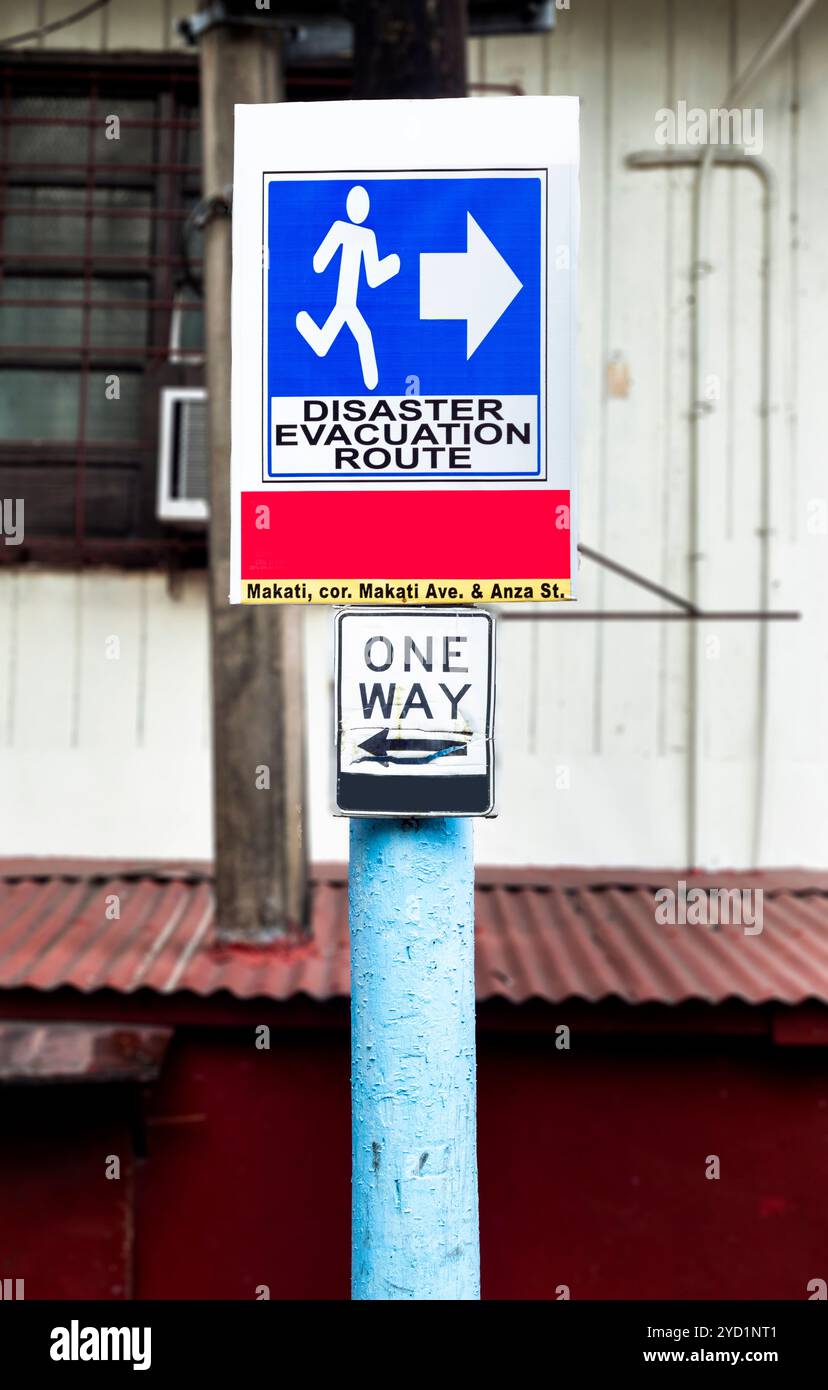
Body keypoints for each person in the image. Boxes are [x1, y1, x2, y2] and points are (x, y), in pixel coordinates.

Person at [296, 185, 400, 390]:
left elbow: (373, 277)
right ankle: (372, 384)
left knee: (352, 336)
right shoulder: (340, 230)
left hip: (349, 303)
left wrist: (391, 266)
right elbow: (319, 261)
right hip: (344, 302)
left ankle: (372, 385)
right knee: (361, 335)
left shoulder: (367, 236)